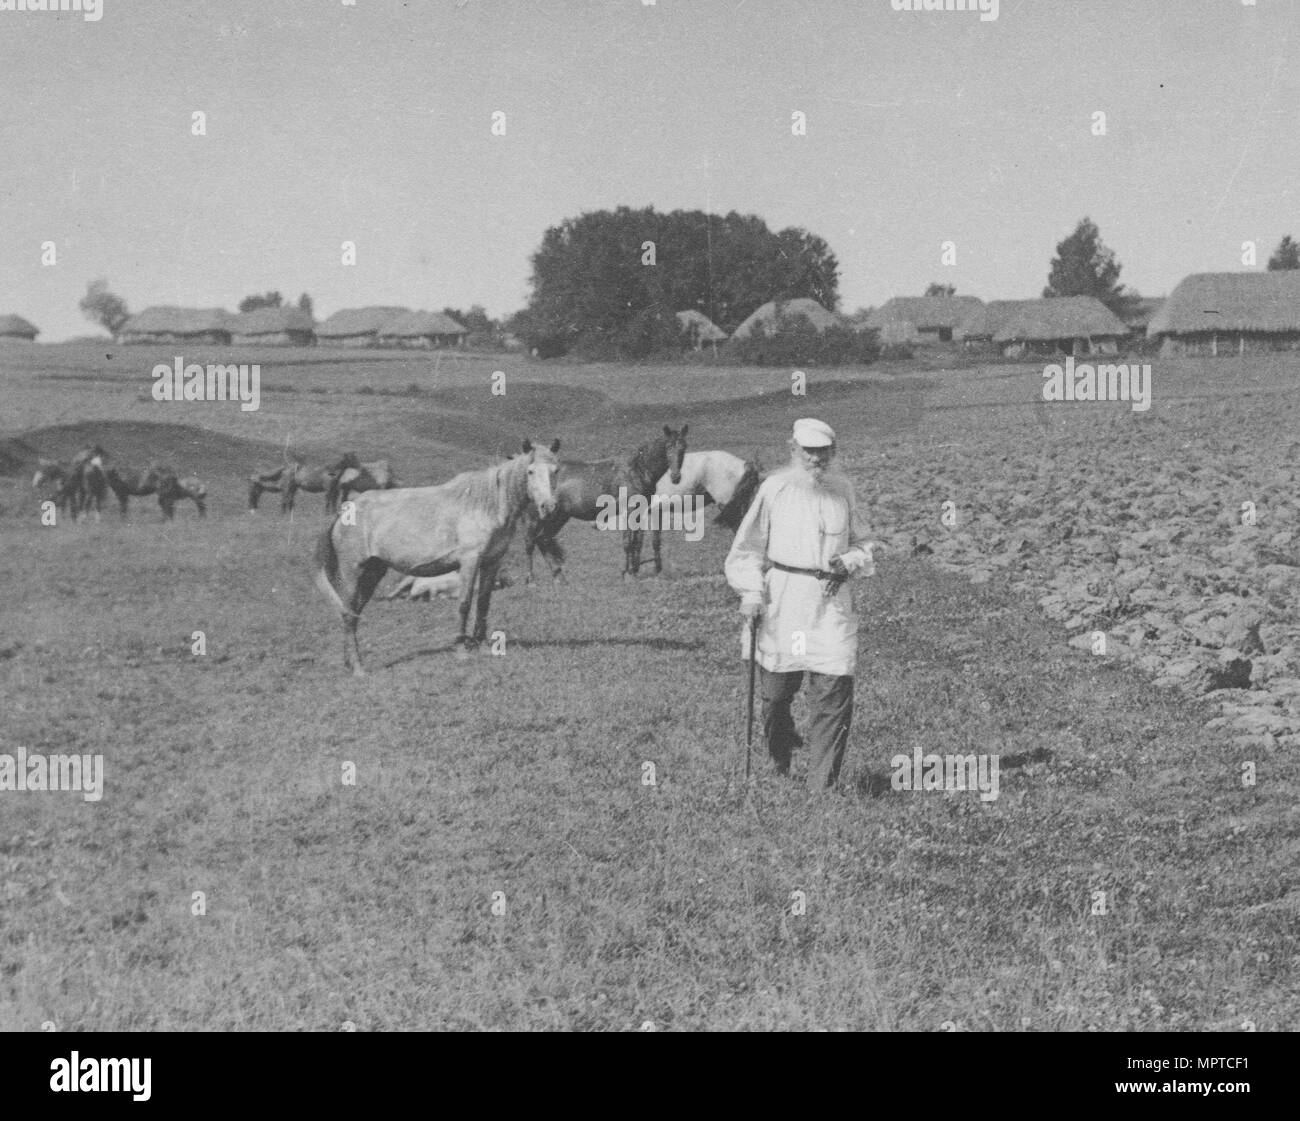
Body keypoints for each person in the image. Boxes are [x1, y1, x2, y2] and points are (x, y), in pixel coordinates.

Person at [724, 418, 875, 790]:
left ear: (833, 452)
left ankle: (820, 785)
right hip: (783, 601)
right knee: (776, 694)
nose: (815, 458)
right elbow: (746, 549)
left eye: (823, 451)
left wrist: (852, 560)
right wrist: (752, 592)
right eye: (808, 450)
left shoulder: (843, 490)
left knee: (834, 689)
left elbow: (867, 542)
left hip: (830, 605)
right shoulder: (775, 489)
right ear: (794, 450)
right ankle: (779, 753)